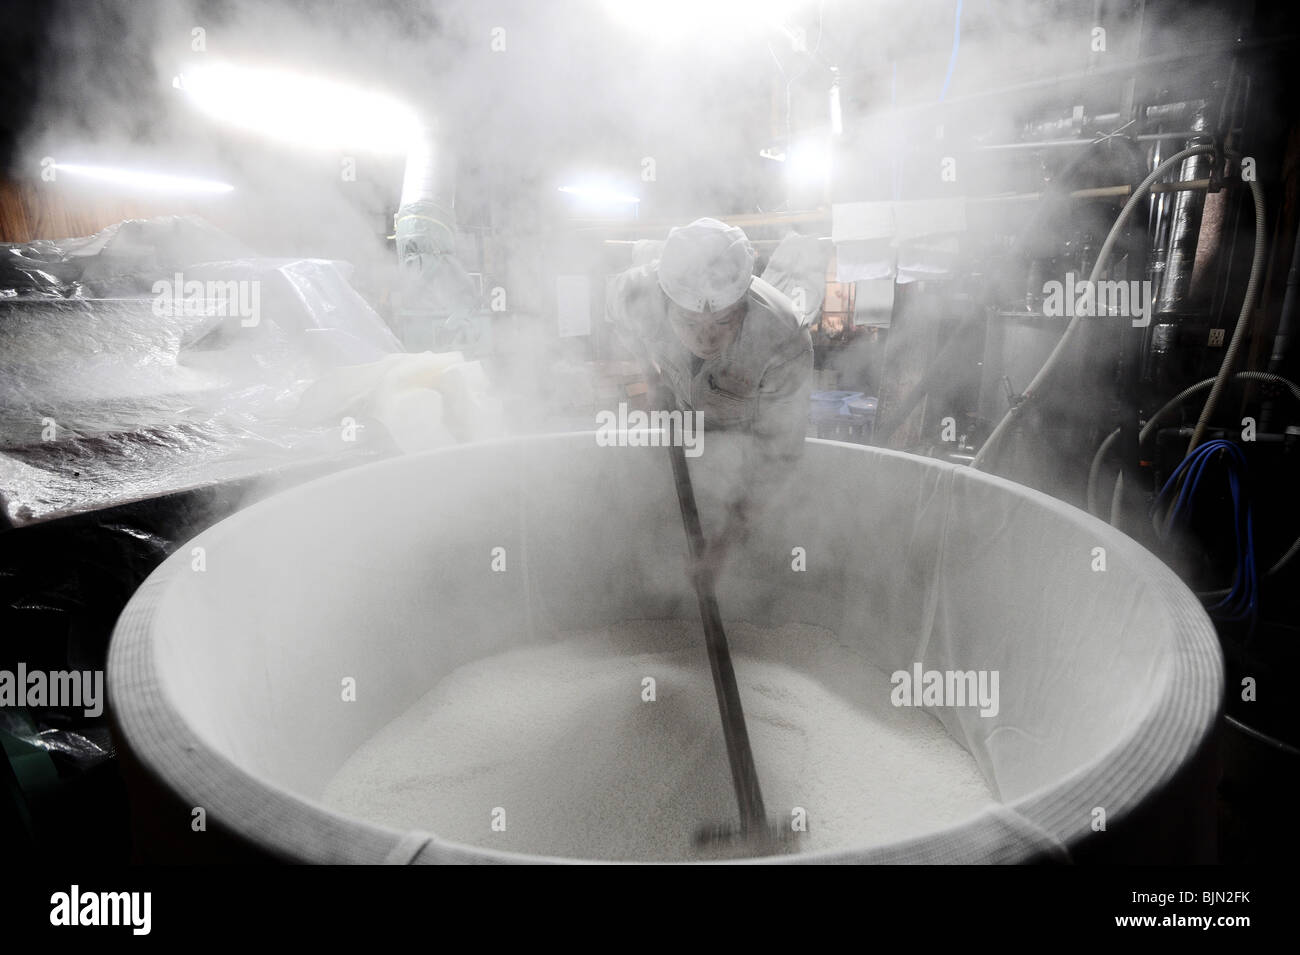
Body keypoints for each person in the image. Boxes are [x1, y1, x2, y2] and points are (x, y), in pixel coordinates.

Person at [605, 217, 814, 580]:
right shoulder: (635, 295)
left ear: (743, 304)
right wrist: (651, 376)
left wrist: (724, 544)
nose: (705, 338)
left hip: (746, 441)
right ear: (665, 301)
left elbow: (779, 454)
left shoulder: (783, 336)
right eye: (688, 322)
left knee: (749, 556)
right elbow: (622, 322)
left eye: (722, 322)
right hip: (688, 425)